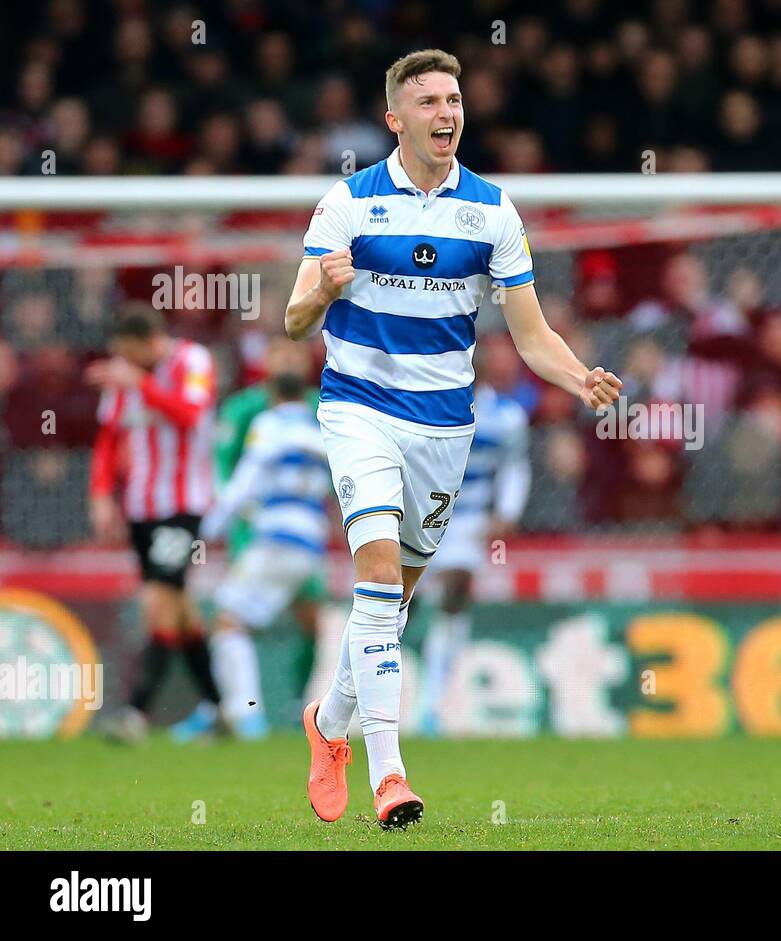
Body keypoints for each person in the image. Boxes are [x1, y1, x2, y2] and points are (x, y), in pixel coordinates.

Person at [285, 49, 621, 828]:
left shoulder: (494, 212)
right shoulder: (348, 203)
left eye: (455, 100)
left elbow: (530, 333)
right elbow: (293, 320)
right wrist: (324, 289)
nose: (447, 114)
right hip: (359, 410)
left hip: (444, 426)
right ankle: (389, 775)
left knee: (391, 603)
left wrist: (577, 378)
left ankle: (326, 724)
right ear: (395, 119)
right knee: (373, 578)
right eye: (429, 101)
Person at [86, 304, 222, 741]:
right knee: (180, 609)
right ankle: (220, 710)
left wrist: (142, 383)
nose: (126, 361)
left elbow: (190, 414)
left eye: (131, 352)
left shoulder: (193, 361)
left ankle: (136, 713)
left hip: (184, 505)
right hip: (142, 508)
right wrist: (101, 494)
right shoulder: (127, 376)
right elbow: (109, 437)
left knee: (158, 601)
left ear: (150, 341)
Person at [199, 370, 333, 739]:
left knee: (228, 622)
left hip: (275, 538)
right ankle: (302, 709)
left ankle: (245, 715)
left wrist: (209, 526)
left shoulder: (268, 426)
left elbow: (246, 479)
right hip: (311, 543)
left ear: (272, 396)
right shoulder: (319, 429)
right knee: (306, 624)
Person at [418, 345, 530, 736]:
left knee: (455, 591)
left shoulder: (506, 417)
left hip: (469, 521)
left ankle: (433, 703)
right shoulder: (426, 405)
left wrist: (507, 512)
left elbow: (515, 467)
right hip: (420, 518)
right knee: (399, 608)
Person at [214, 336, 325, 705]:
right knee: (245, 617)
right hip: (264, 527)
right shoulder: (244, 408)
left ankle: (269, 708)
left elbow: (245, 474)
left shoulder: (318, 408)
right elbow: (224, 467)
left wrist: (208, 526)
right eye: (279, 353)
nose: (287, 361)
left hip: (284, 527)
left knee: (305, 622)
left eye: (294, 353)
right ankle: (239, 707)